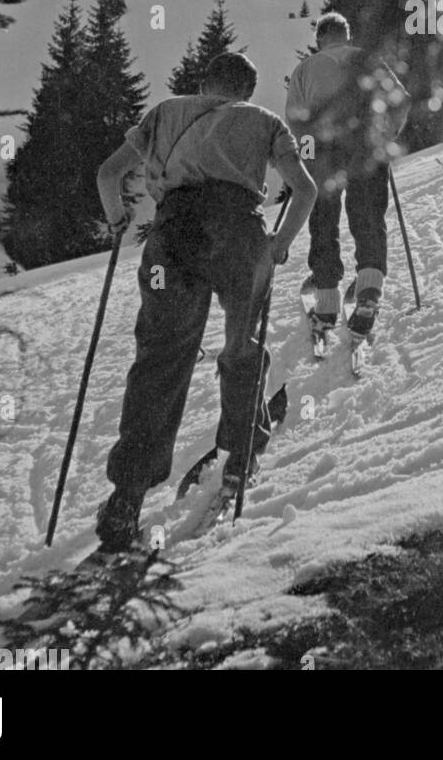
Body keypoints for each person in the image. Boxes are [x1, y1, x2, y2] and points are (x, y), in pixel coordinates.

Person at [94, 50, 316, 550]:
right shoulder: (264, 122)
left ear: (202, 83)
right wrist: (279, 245)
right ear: (247, 91)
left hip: (170, 237)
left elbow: (109, 175)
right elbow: (304, 191)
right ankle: (240, 457)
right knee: (241, 346)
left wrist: (116, 222)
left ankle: (127, 497)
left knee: (159, 361)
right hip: (240, 234)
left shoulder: (165, 111)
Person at [285, 13, 409, 341]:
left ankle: (326, 302)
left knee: (323, 219)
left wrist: (306, 153)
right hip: (368, 143)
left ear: (320, 38)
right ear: (347, 34)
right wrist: (388, 134)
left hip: (324, 150)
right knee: (367, 215)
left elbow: (294, 120)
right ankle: (369, 290)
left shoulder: (305, 69)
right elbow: (402, 100)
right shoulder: (369, 60)